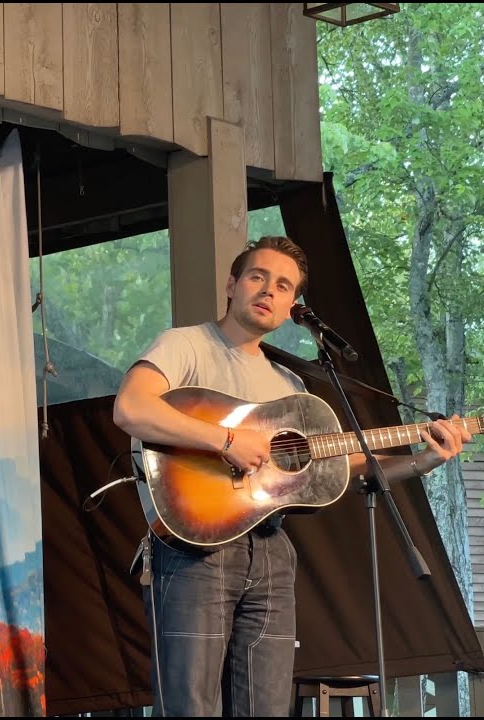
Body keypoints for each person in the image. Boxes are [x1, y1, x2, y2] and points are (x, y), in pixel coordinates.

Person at [112, 235, 473, 717]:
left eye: (283, 286)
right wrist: (225, 441)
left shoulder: (293, 386)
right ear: (232, 284)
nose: (268, 290)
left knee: (266, 706)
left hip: (271, 552)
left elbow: (344, 466)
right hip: (195, 547)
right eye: (258, 277)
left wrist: (426, 459)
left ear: (291, 307)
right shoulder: (186, 345)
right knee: (190, 706)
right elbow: (132, 408)